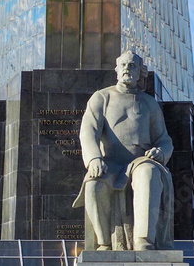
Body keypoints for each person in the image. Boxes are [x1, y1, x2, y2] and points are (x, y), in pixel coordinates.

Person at [73, 50, 175, 251]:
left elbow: (164, 140)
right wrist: (94, 158)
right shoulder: (102, 98)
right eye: (123, 65)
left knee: (148, 173)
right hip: (110, 164)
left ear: (140, 73)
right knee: (93, 185)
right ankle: (104, 242)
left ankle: (144, 240)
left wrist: (160, 153)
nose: (127, 69)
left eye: (132, 65)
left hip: (140, 162)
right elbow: (88, 132)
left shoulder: (149, 103)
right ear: (117, 70)